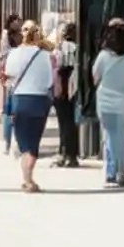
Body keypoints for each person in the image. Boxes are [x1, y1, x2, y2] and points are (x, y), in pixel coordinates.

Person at [4, 21, 57, 193]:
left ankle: (27, 178)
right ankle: (29, 178)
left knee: (23, 142)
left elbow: (9, 74)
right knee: (33, 142)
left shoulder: (14, 53)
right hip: (40, 102)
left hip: (20, 100)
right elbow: (49, 81)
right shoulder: (45, 56)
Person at [93, 18, 124, 187]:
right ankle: (121, 172)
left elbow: (95, 76)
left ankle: (111, 171)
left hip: (105, 100)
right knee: (121, 138)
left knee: (109, 137)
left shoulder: (103, 56)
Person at [52, 23, 80, 168]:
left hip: (61, 88)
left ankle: (63, 153)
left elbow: (57, 68)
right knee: (71, 123)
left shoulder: (59, 48)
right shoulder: (78, 48)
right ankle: (72, 155)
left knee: (63, 123)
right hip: (73, 89)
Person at [0, 15, 23, 156]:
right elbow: (3, 54)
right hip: (10, 76)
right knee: (10, 111)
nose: (18, 23)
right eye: (16, 21)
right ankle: (7, 141)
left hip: (17, 77)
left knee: (12, 111)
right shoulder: (6, 36)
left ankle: (13, 141)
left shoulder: (21, 36)